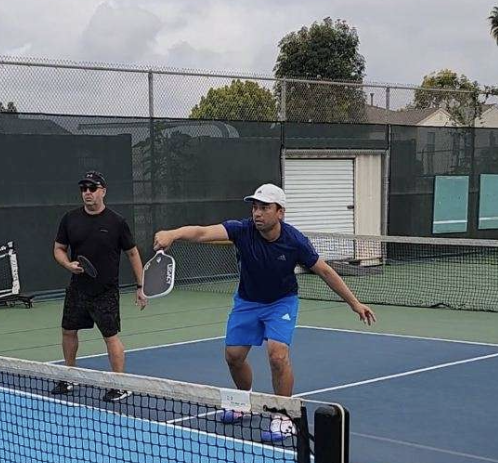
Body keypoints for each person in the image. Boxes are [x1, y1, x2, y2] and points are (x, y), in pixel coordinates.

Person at [153, 183, 376, 441]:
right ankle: (242, 400)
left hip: (281, 302)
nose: (257, 213)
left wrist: (354, 303)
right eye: (255, 207)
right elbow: (203, 233)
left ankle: (284, 414)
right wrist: (173, 233)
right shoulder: (242, 230)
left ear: (280, 212)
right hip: (247, 302)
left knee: (277, 355)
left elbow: (324, 271)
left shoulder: (295, 241)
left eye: (264, 208)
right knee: (233, 357)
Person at [52, 170, 147, 401]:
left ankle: (119, 384)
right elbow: (58, 249)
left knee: (110, 336)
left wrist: (140, 286)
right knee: (68, 331)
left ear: (103, 191)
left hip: (105, 291)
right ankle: (70, 375)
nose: (87, 193)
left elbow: (133, 253)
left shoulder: (116, 222)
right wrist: (68, 265)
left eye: (92, 188)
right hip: (78, 289)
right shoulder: (70, 219)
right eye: (83, 189)